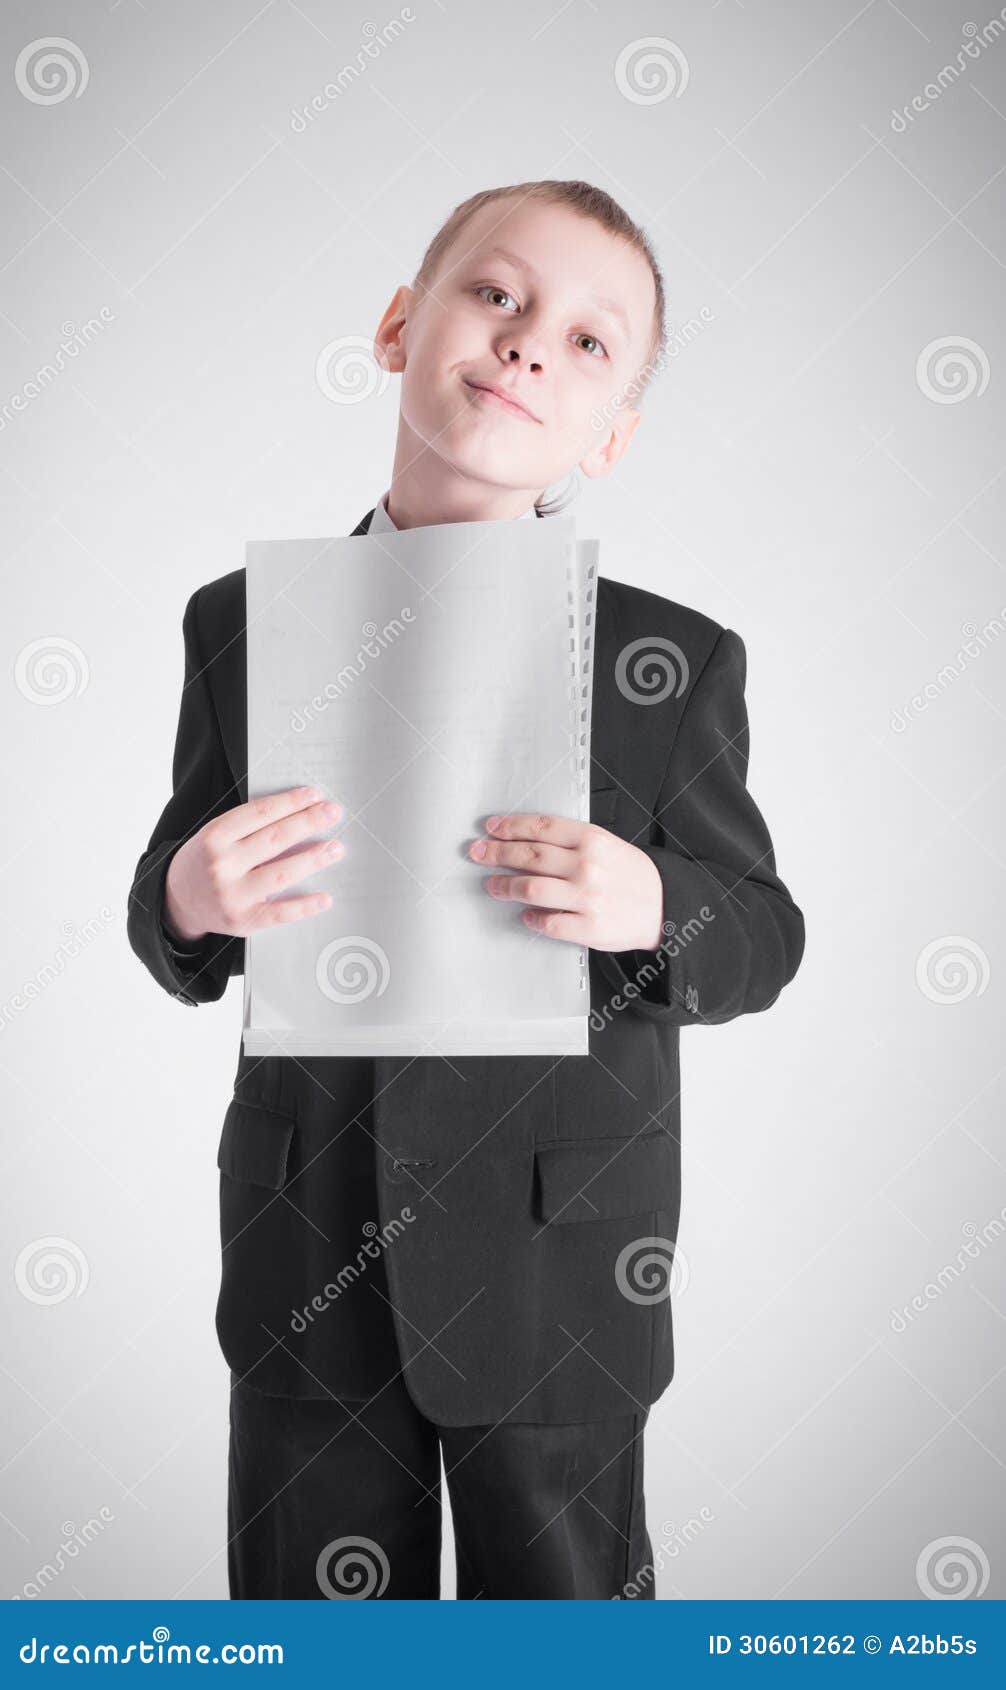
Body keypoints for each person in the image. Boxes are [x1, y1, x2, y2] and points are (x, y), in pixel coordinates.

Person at [127, 179, 806, 1600]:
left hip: (559, 1274)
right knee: (315, 1636)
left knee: (562, 1636)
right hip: (306, 1243)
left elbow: (762, 932)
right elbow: (172, 907)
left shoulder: (670, 662)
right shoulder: (236, 625)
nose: (526, 344)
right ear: (398, 325)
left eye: (584, 340)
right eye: (495, 296)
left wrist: (648, 906)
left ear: (609, 435)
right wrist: (189, 895)